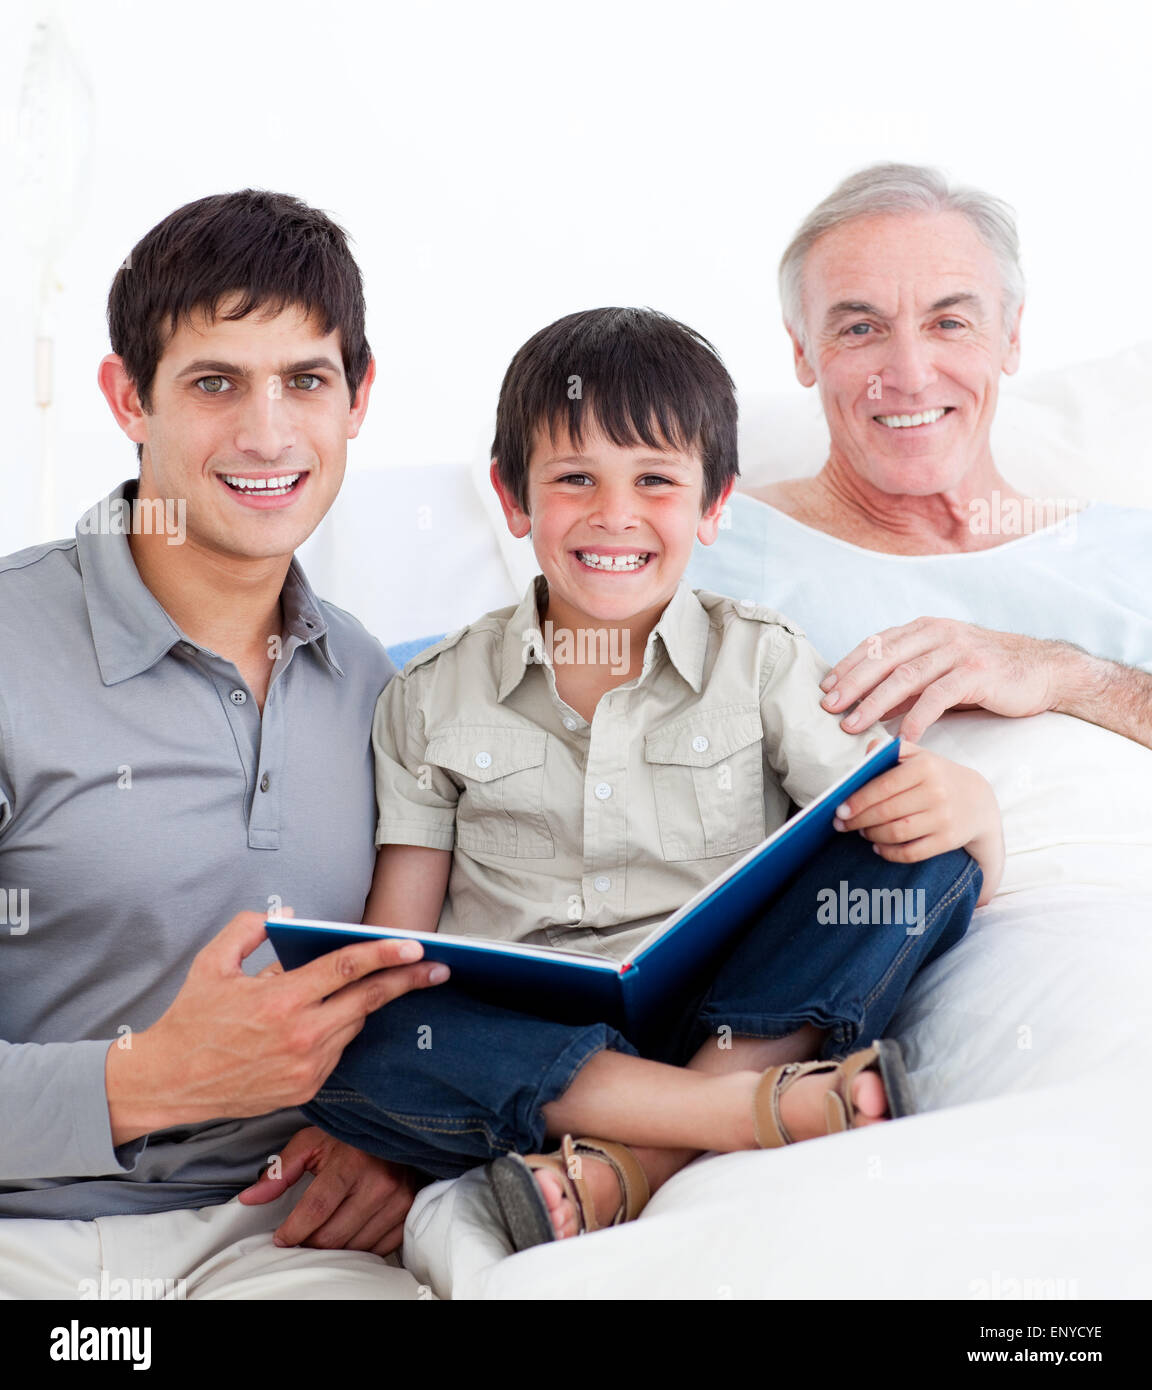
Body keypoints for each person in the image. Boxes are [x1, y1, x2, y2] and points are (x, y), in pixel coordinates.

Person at [302, 306, 1001, 1250]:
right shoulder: (427, 697)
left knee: (911, 863)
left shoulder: (761, 663)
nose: (614, 514)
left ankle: (639, 1156)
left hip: (733, 1015)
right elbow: (398, 937)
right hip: (530, 1044)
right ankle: (740, 1115)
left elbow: (899, 835)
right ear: (515, 498)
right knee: (364, 1042)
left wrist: (973, 813)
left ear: (715, 506)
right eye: (574, 479)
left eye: (657, 481)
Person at [0, 190, 448, 1300]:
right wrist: (142, 1080)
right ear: (126, 398)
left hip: (283, 1244)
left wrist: (391, 1140)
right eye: (214, 382)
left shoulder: (377, 686)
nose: (266, 434)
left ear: (358, 398)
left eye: (306, 379)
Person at [686, 163, 1152, 746]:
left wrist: (1071, 676)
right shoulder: (698, 551)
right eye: (860, 328)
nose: (908, 375)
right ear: (803, 349)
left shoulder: (1134, 552)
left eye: (949, 322)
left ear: (1011, 336)